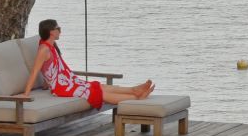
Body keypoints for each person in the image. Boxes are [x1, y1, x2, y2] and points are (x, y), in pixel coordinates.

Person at [21, 19, 154, 108]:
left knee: (99, 86)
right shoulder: (43, 49)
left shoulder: (51, 46)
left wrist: (46, 83)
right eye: (58, 28)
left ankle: (134, 90)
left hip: (67, 81)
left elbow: (50, 69)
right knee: (97, 93)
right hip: (61, 87)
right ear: (51, 32)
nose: (60, 30)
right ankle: (135, 99)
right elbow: (35, 71)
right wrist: (26, 94)